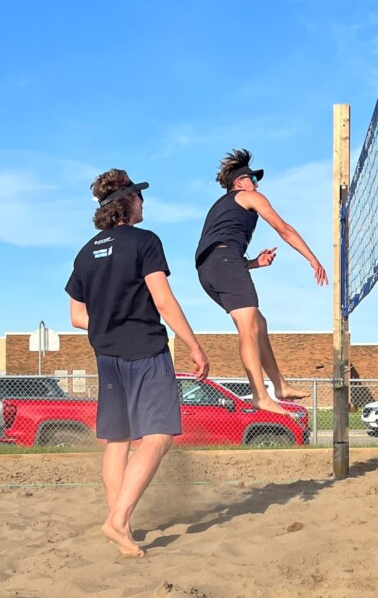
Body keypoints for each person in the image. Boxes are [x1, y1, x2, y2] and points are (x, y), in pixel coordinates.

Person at [66, 168, 209, 557]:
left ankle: (121, 524)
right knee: (159, 435)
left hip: (107, 355)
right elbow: (163, 301)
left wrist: (110, 319)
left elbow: (76, 316)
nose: (144, 202)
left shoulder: (86, 252)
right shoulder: (145, 241)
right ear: (127, 202)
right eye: (140, 196)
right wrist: (194, 345)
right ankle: (117, 521)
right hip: (144, 350)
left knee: (118, 442)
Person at [195, 149, 328, 416]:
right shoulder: (248, 196)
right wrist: (313, 259)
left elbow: (218, 252)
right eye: (251, 178)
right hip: (224, 263)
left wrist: (254, 263)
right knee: (248, 327)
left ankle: (279, 385)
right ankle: (260, 395)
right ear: (239, 182)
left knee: (258, 322)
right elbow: (284, 229)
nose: (256, 183)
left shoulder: (218, 208)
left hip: (209, 269)